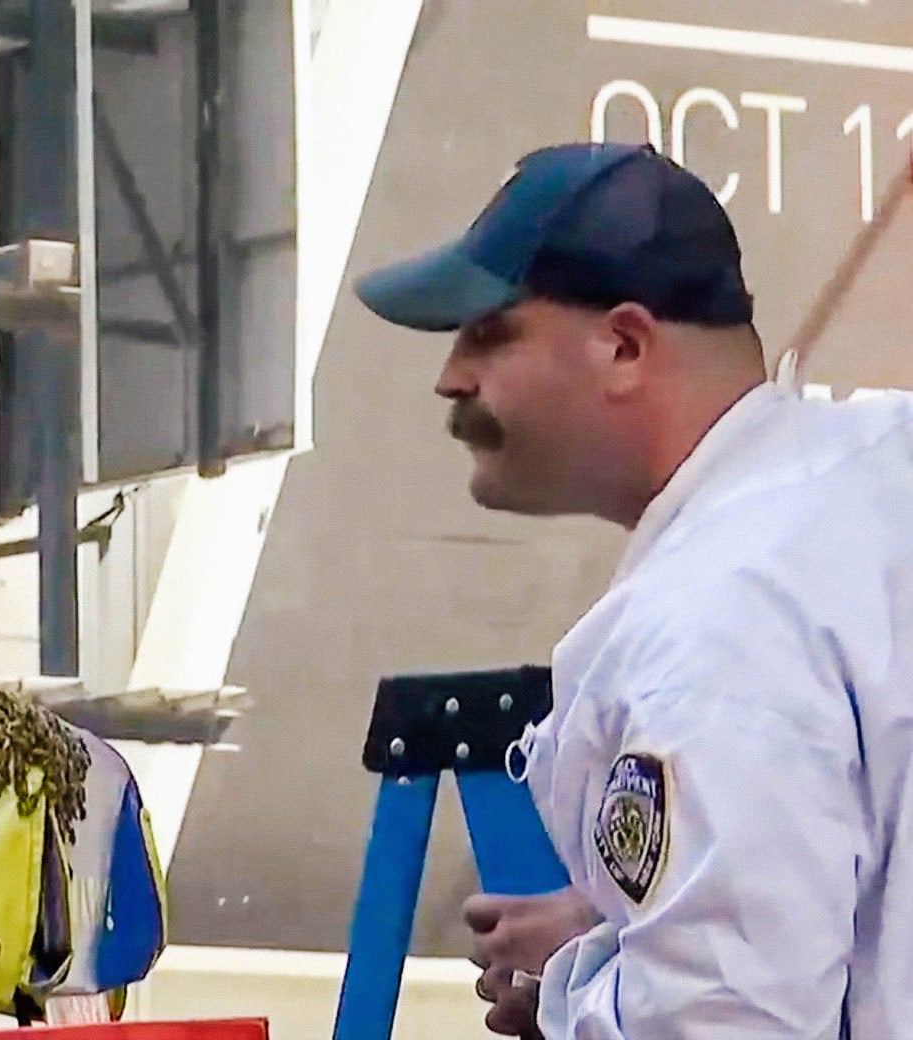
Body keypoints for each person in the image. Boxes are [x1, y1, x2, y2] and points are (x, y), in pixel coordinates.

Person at [354, 140, 913, 1038]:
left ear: (622, 346)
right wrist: (614, 936)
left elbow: (726, 1026)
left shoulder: (717, 624)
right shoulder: (870, 479)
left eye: (490, 332)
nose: (451, 376)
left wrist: (578, 1004)